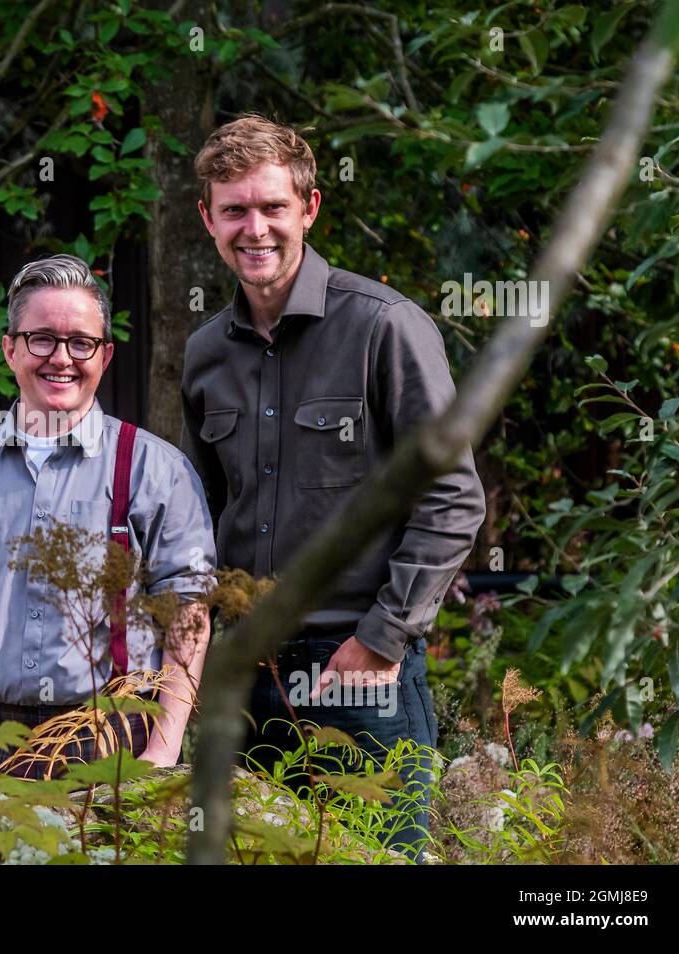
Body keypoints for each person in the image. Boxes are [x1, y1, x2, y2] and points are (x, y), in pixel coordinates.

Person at [180, 115, 486, 858]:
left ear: (310, 208)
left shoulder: (385, 327)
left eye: (273, 207)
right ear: (208, 219)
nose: (255, 228)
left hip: (359, 672)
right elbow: (209, 512)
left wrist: (380, 640)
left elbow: (452, 498)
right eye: (235, 210)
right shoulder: (203, 354)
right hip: (246, 676)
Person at [0, 254, 216, 797]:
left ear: (106, 354)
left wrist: (162, 753)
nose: (62, 358)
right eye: (41, 338)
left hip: (114, 738)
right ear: (10, 349)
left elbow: (188, 615)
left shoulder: (155, 471)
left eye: (81, 342)